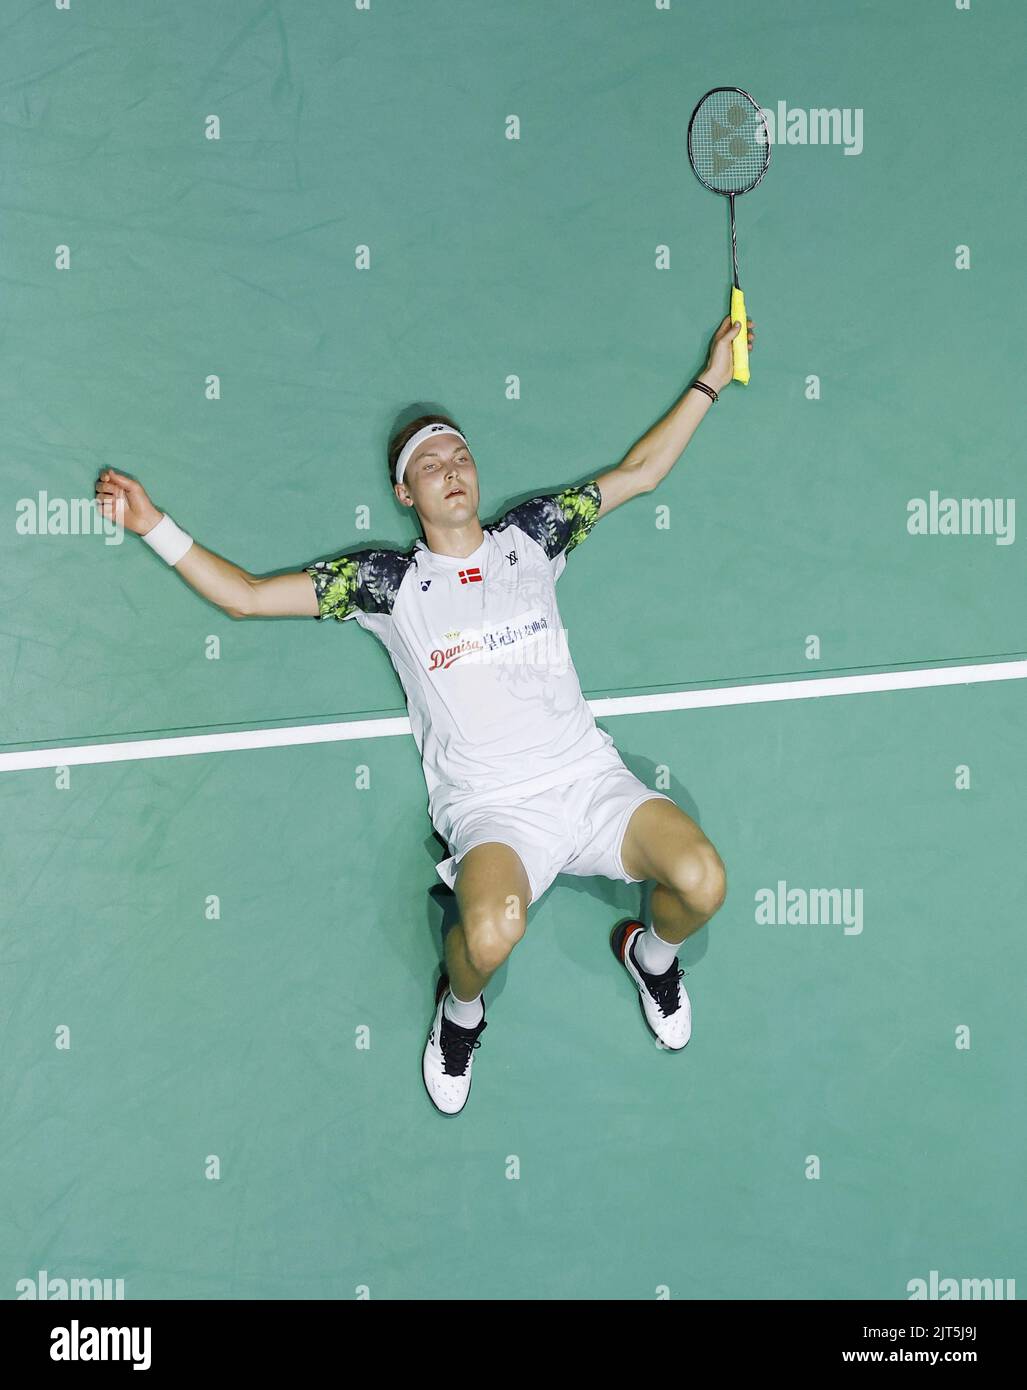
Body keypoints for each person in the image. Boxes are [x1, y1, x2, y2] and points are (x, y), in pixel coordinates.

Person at [95, 312, 755, 1117]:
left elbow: (641, 473)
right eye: (430, 463)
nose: (452, 469)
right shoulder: (386, 584)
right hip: (493, 812)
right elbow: (245, 597)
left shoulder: (534, 537)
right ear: (406, 493)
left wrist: (712, 377)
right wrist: (150, 523)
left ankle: (652, 957)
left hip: (589, 781)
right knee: (487, 939)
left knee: (703, 879)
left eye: (461, 456)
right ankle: (461, 1014)